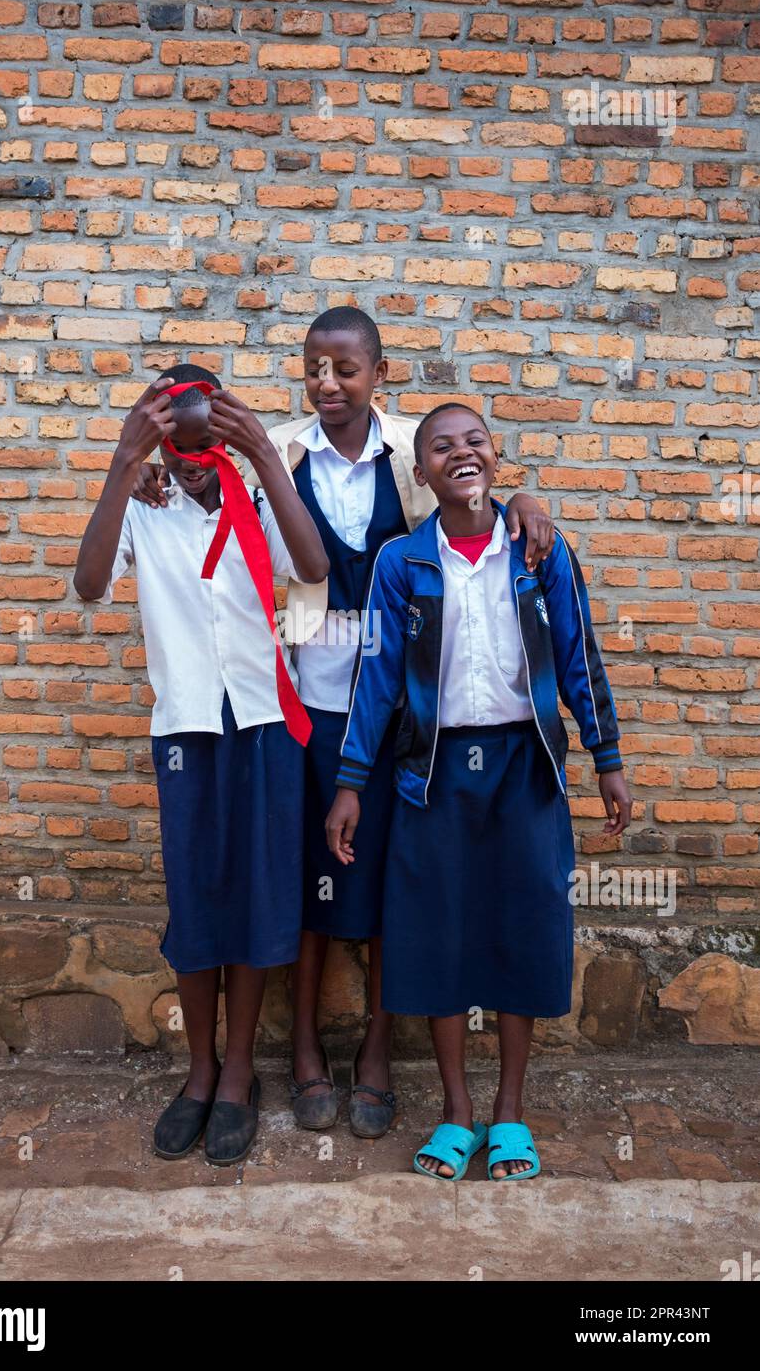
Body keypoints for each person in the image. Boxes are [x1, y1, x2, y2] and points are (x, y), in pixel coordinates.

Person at [129, 310, 554, 1139]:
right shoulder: (276, 452)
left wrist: (527, 499)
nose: (328, 384)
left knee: (396, 876)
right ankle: (307, 1055)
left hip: (404, 709)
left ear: (379, 374)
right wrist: (144, 473)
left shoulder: (412, 452)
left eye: (346, 371)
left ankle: (376, 1050)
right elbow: (196, 492)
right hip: (305, 699)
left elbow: (471, 499)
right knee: (307, 875)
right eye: (314, 369)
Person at [326, 401, 632, 1181]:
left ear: (495, 457)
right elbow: (377, 678)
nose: (460, 453)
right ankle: (457, 1113)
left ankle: (511, 1115)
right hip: (431, 771)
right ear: (421, 470)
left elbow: (576, 651)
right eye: (440, 447)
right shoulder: (405, 563)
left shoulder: (538, 550)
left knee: (521, 929)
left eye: (474, 441)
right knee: (435, 934)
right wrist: (352, 781)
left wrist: (607, 757)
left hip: (524, 767)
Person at [74, 365, 329, 1166]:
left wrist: (264, 460)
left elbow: (313, 570)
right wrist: (123, 461)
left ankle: (240, 1073)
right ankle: (199, 1070)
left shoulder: (258, 497)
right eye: (174, 442)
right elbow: (88, 586)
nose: (190, 458)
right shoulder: (145, 506)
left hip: (262, 721)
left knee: (255, 894)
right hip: (186, 721)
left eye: (204, 440)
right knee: (196, 898)